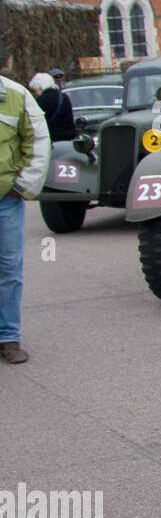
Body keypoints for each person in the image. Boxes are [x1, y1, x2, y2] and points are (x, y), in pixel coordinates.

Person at [0, 42, 53, 363]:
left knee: (8, 270)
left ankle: (8, 337)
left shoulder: (16, 96)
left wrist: (19, 187)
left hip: (5, 199)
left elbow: (38, 139)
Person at [29, 72, 77, 143]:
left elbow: (40, 123)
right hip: (68, 138)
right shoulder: (64, 97)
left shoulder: (40, 101)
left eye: (36, 89)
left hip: (52, 138)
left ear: (40, 87)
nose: (36, 92)